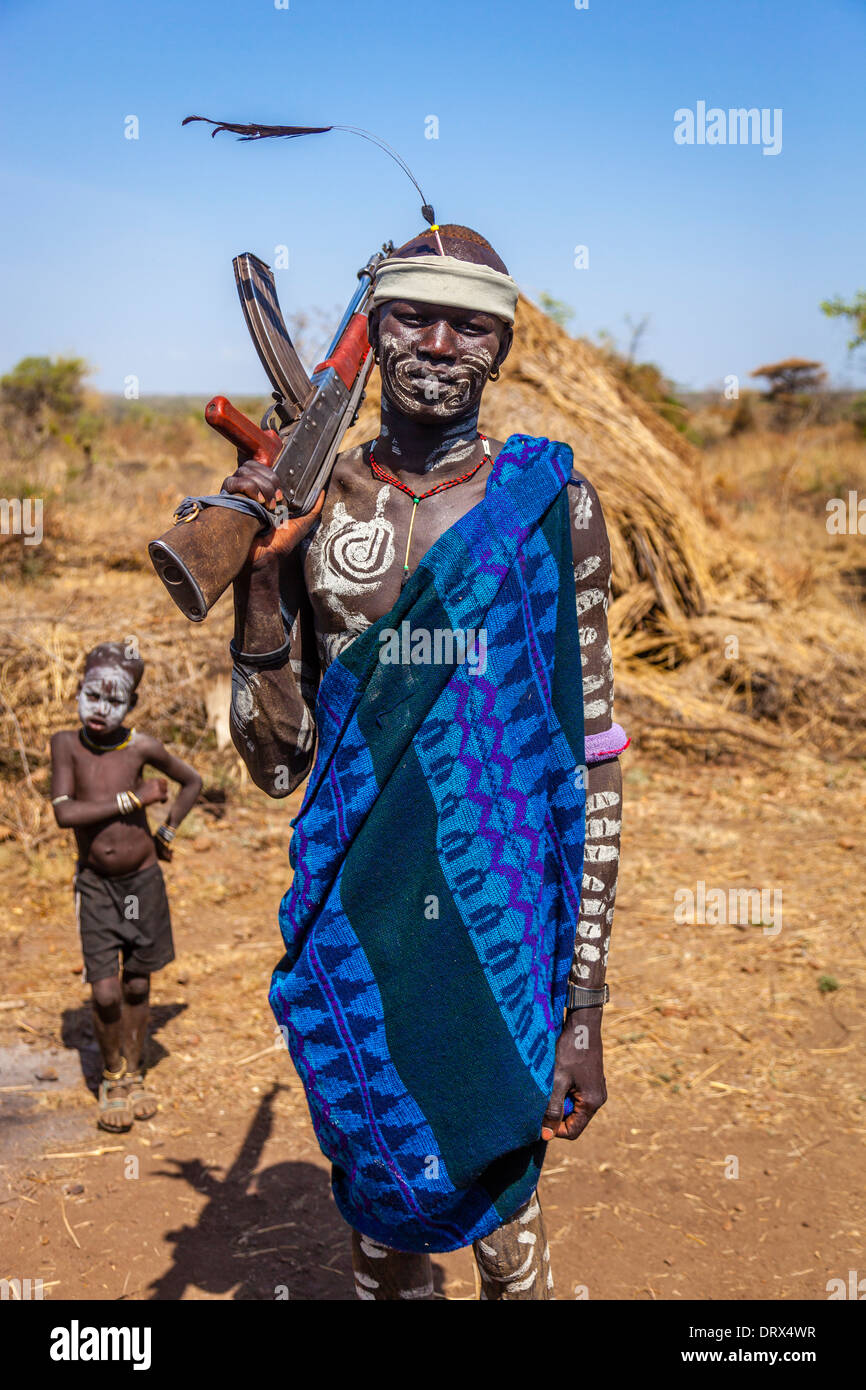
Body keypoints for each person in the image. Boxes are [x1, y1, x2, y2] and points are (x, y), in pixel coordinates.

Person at [224, 225, 627, 1299]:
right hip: (358, 919)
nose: (439, 343)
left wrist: (582, 1001)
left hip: (502, 927)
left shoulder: (548, 507)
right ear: (376, 328)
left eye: (469, 324)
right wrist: (263, 583)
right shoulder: (315, 511)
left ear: (500, 343)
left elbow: (589, 760)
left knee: (507, 1227)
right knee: (376, 1207)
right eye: (412, 315)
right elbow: (274, 766)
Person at [50, 642, 202, 1132]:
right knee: (105, 992)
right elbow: (64, 812)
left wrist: (168, 831)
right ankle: (110, 1074)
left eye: (113, 702)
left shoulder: (142, 747)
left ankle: (132, 1076)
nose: (100, 709)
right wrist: (131, 800)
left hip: (142, 883)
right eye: (91, 696)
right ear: (77, 694)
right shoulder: (66, 745)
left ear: (131, 707)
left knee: (137, 982)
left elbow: (191, 783)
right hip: (95, 888)